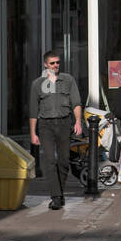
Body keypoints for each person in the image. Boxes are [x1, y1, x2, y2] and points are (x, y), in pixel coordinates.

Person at [28, 50, 83, 210]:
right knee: (50, 160)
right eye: (52, 63)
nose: (55, 65)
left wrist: (78, 121)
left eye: (57, 62)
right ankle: (56, 197)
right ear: (46, 64)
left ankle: (60, 192)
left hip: (65, 123)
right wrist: (33, 133)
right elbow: (33, 110)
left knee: (64, 161)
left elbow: (76, 103)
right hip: (46, 125)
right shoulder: (37, 84)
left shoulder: (68, 80)